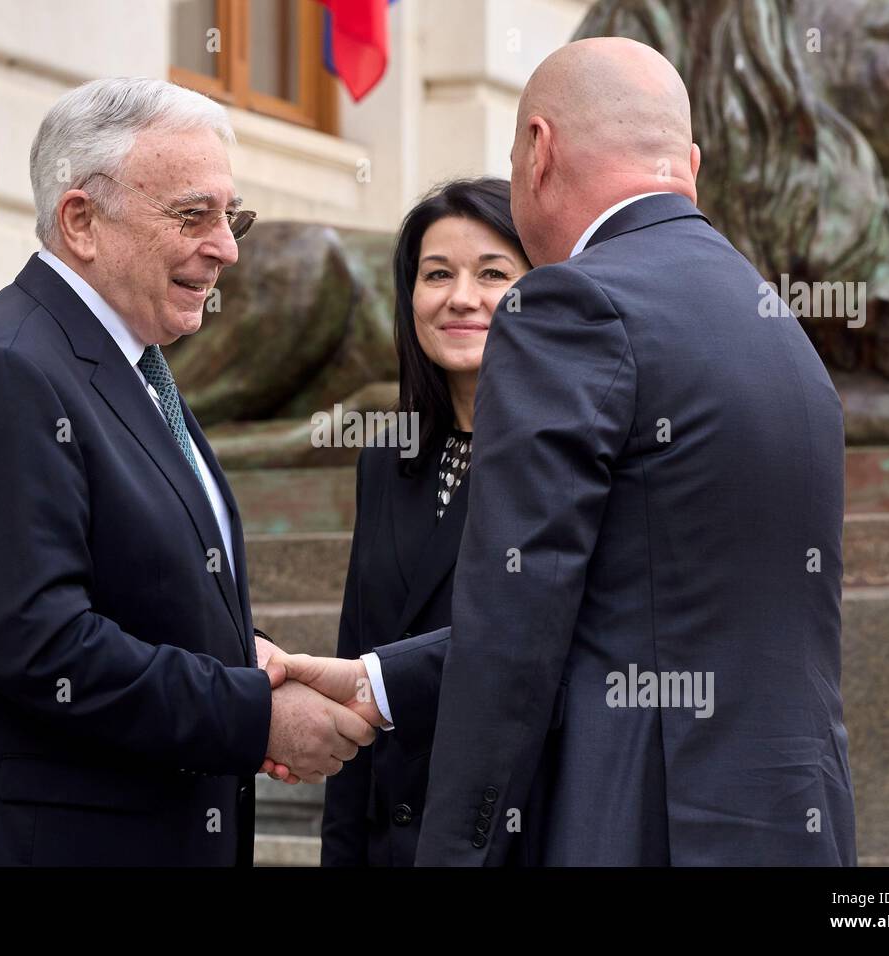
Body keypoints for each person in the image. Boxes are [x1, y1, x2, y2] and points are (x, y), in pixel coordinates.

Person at [271, 37, 856, 866]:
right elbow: (626, 607)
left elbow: (521, 617)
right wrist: (375, 682)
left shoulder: (573, 304)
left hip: (632, 823)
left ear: (540, 151)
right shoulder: (776, 324)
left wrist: (453, 852)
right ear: (686, 164)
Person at [0, 78, 374, 866]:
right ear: (81, 221)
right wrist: (253, 715)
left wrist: (250, 657)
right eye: (193, 216)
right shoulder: (10, 371)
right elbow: (41, 645)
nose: (227, 248)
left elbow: (133, 589)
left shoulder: (126, 365)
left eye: (231, 218)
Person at [317, 179, 529, 866]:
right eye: (437, 275)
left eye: (493, 273)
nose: (461, 297)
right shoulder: (388, 455)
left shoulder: (567, 456)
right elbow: (357, 661)